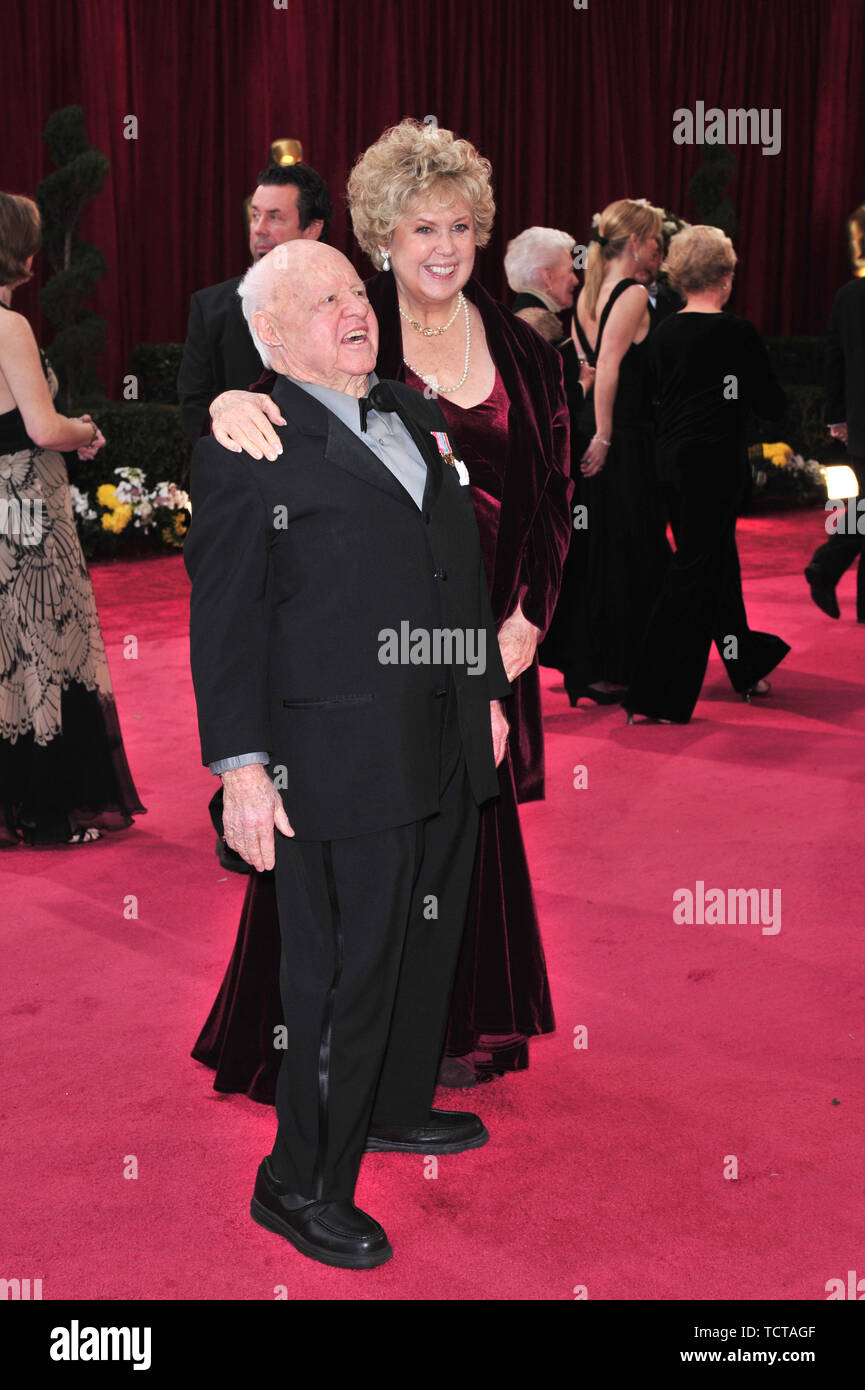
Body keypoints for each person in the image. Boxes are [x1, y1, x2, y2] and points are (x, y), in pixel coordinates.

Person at [198, 118, 572, 1094]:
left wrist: (527, 617)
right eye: (418, 230)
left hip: (486, 641)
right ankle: (317, 1054)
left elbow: (554, 497)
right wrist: (220, 406)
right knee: (347, 853)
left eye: (457, 226)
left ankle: (435, 1041)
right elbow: (271, 403)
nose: (442, 247)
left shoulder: (527, 353)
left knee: (461, 840)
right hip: (356, 656)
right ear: (379, 238)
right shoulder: (346, 321)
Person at [184, 239, 511, 1269]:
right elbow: (224, 621)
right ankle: (297, 1182)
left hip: (445, 737)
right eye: (321, 299)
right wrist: (240, 766)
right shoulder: (248, 445)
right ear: (270, 336)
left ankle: (390, 1103)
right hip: (332, 755)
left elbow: (453, 570)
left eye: (355, 292)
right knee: (341, 973)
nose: (353, 307)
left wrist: (486, 694)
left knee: (421, 945)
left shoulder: (410, 415)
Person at [178, 161, 332, 874]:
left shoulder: (348, 307)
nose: (260, 230)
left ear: (313, 229)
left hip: (324, 523)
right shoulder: (212, 306)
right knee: (242, 655)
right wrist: (221, 416)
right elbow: (189, 413)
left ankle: (313, 803)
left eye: (276, 217)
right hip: (237, 523)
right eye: (253, 216)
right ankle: (236, 812)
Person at [0, 193, 144, 846]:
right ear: (22, 253)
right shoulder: (10, 328)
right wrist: (84, 428)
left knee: (9, 650)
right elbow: (41, 426)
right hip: (28, 508)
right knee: (47, 647)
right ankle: (47, 808)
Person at [623, 225, 790, 724]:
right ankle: (653, 694)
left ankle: (745, 667)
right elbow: (772, 404)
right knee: (695, 573)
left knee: (716, 567)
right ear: (725, 275)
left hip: (670, 465)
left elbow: (651, 402)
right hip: (713, 470)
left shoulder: (665, 331)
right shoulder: (736, 333)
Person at [540, 198, 671, 706]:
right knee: (636, 551)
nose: (656, 249)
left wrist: (593, 432)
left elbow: (584, 368)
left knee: (597, 553)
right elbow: (610, 368)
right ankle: (627, 663)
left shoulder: (589, 294)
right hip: (623, 439)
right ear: (635, 243)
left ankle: (593, 667)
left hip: (594, 432)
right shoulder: (632, 292)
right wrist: (606, 436)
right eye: (654, 239)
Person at [804, 204, 865, 621]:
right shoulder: (848, 295)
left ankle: (826, 568)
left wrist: (838, 417)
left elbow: (834, 361)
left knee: (863, 507)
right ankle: (825, 566)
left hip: (861, 421)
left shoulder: (847, 295)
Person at [504, 226, 578, 342]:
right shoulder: (543, 323)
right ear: (548, 276)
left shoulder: (512, 320)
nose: (576, 280)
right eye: (570, 271)